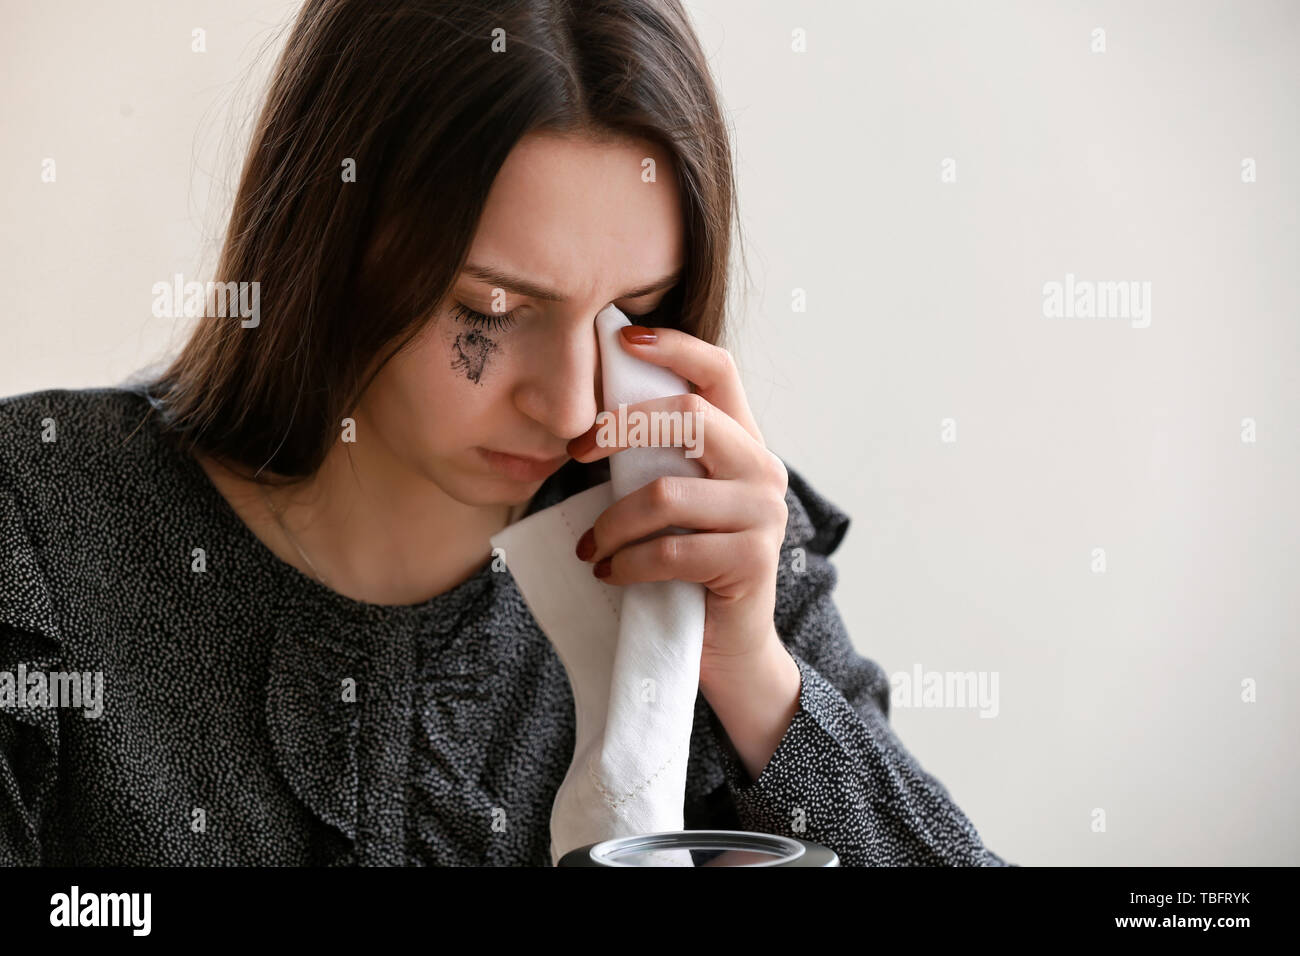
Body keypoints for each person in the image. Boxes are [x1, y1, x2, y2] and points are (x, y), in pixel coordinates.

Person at [0, 0, 1009, 866]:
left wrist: (750, 669)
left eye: (633, 313)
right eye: (488, 311)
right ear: (331, 243)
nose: (573, 408)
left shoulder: (706, 544)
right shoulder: (42, 526)